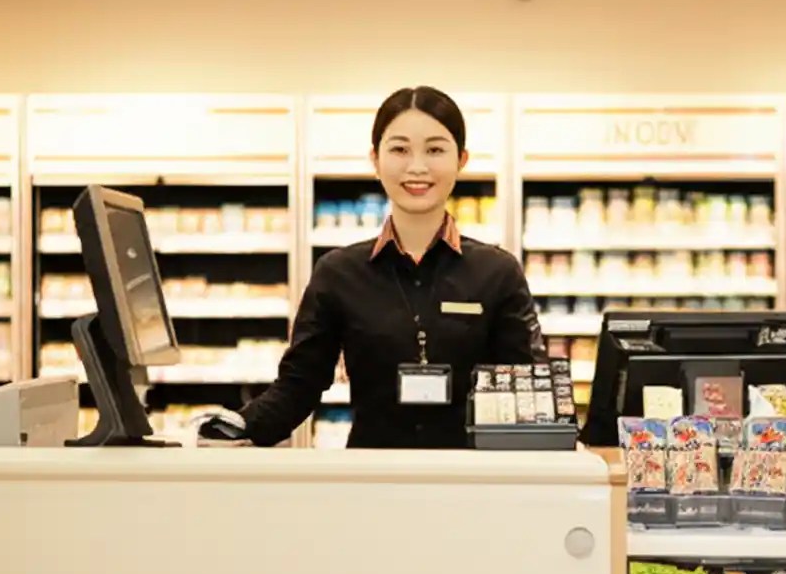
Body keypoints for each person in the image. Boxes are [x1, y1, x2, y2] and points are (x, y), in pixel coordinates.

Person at [202, 85, 545, 448]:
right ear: (375, 160)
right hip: (370, 481)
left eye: (435, 150)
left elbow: (532, 389)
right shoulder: (338, 273)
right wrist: (240, 426)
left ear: (461, 160)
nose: (417, 166)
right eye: (399, 149)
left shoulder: (497, 273)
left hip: (474, 484)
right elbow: (299, 384)